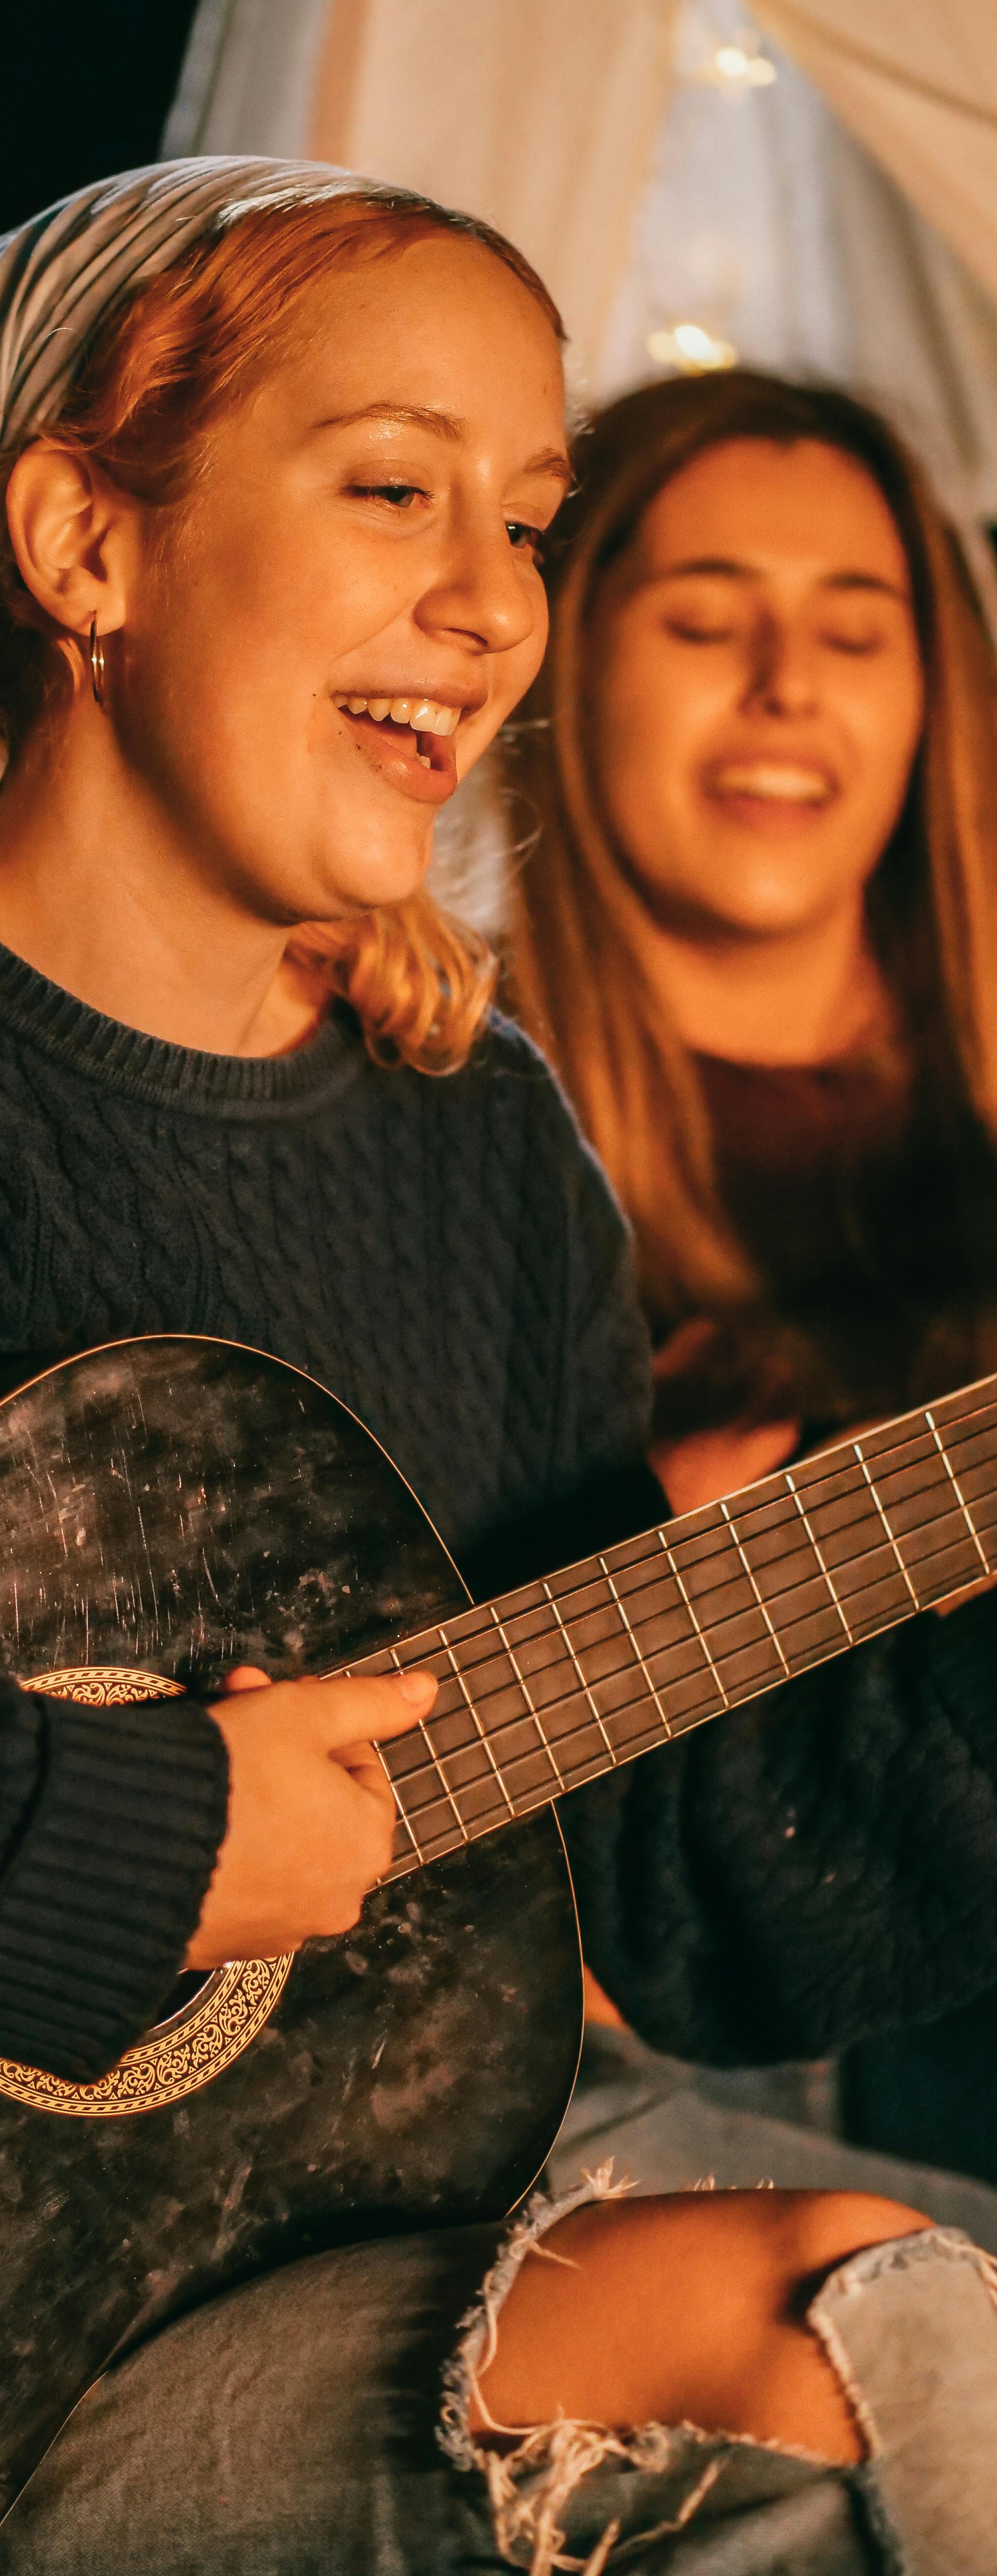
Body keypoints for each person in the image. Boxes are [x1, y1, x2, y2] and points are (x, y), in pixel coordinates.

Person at [0, 163, 997, 2573]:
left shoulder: (476, 1149)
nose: (485, 606)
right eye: (394, 488)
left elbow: (676, 1877)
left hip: (258, 2297)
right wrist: (119, 1846)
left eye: (527, 522)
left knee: (909, 2338)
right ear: (85, 548)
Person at [502, 369, 997, 2198]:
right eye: (706, 619)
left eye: (854, 632)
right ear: (558, 663)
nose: (787, 687)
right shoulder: (441, 1130)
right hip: (705, 2078)